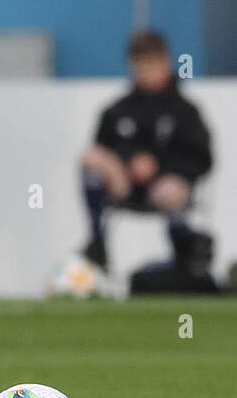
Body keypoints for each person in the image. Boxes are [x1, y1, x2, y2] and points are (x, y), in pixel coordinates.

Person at [80, 28, 213, 274]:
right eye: (140, 65)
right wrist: (129, 161)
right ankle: (97, 244)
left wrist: (160, 168)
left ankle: (185, 250)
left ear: (166, 61)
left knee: (171, 189)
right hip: (125, 185)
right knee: (92, 160)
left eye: (151, 63)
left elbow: (202, 158)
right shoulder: (116, 110)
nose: (146, 72)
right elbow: (103, 146)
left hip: (165, 187)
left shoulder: (185, 112)